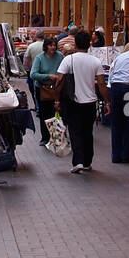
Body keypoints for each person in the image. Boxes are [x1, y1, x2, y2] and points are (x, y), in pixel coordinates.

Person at [53, 30, 102, 173]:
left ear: (75, 44)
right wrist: (108, 102)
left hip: (73, 101)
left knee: (75, 131)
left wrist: (56, 100)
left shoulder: (68, 59)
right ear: (89, 44)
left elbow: (60, 81)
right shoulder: (95, 61)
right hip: (90, 102)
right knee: (88, 131)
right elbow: (101, 84)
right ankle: (87, 161)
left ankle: (78, 161)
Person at [29, 36, 63, 144]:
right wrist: (48, 76)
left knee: (56, 113)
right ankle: (45, 137)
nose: (53, 47)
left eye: (54, 45)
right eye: (50, 45)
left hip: (57, 88)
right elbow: (33, 74)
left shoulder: (60, 56)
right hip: (43, 89)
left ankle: (57, 135)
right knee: (45, 114)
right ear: (46, 46)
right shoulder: (40, 58)